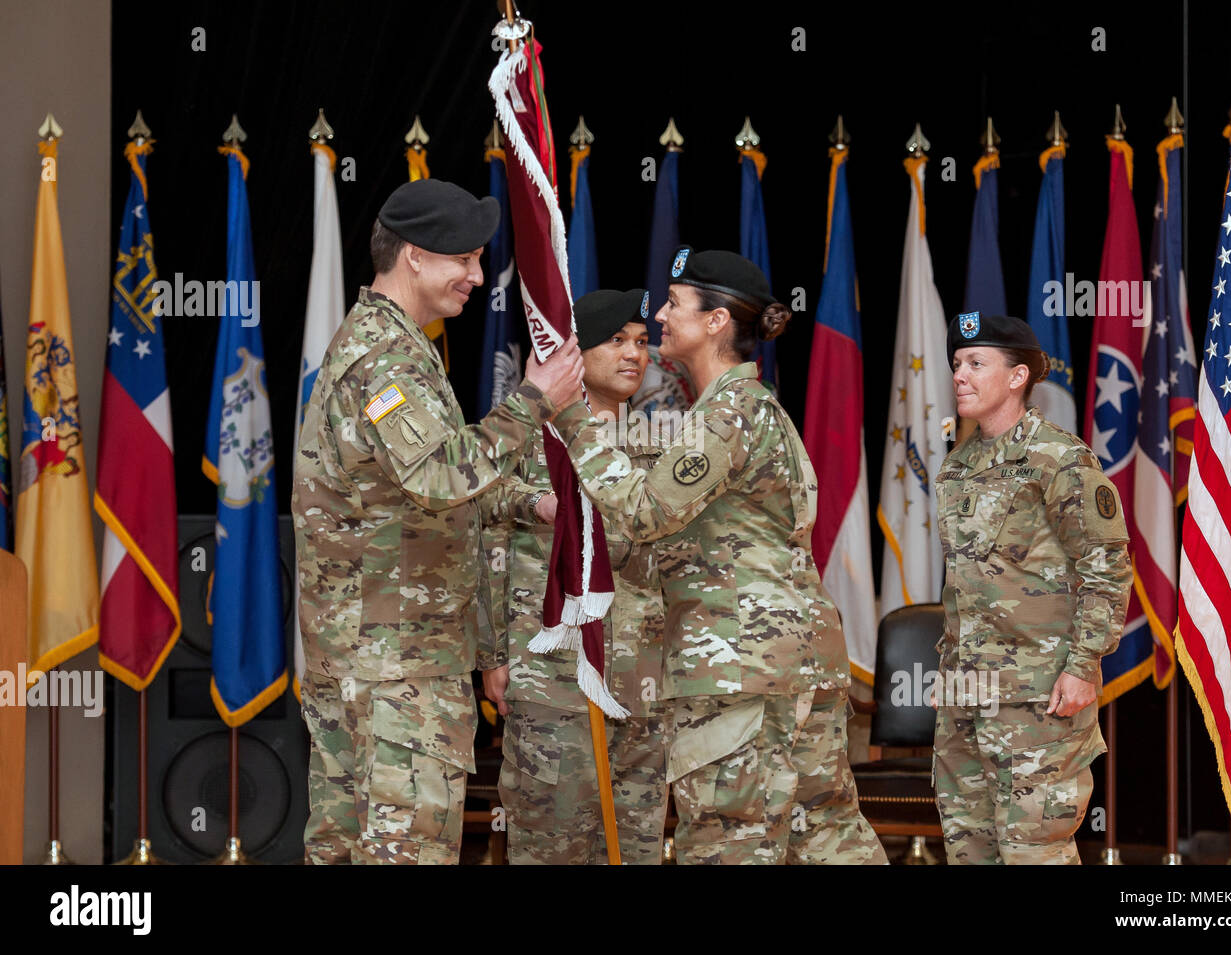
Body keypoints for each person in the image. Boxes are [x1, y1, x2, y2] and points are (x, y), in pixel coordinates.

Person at [546, 247, 887, 865]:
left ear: (716, 321)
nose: (660, 319)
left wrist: (574, 419)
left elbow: (645, 511)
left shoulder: (727, 414)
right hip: (792, 660)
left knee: (729, 840)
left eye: (675, 304)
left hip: (738, 667)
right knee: (826, 836)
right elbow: (687, 547)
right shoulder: (759, 410)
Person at [293, 178, 584, 865]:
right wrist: (534, 400)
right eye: (466, 260)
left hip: (378, 655)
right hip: (396, 667)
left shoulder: (396, 345)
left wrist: (531, 502)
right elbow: (439, 476)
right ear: (416, 256)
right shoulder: (384, 356)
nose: (478, 278)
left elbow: (423, 496)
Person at [932, 310, 1132, 865]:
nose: (960, 376)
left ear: (1018, 376)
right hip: (966, 693)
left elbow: (1106, 566)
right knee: (970, 847)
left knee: (1032, 851)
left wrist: (1082, 663)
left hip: (1037, 695)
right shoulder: (957, 467)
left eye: (976, 363)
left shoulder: (1059, 459)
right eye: (956, 363)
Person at [482, 287, 670, 865]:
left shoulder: (662, 444)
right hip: (553, 681)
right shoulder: (532, 440)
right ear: (576, 354)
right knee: (552, 844)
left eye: (641, 342)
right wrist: (492, 657)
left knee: (635, 847)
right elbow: (487, 540)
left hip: (642, 684)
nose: (633, 354)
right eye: (615, 341)